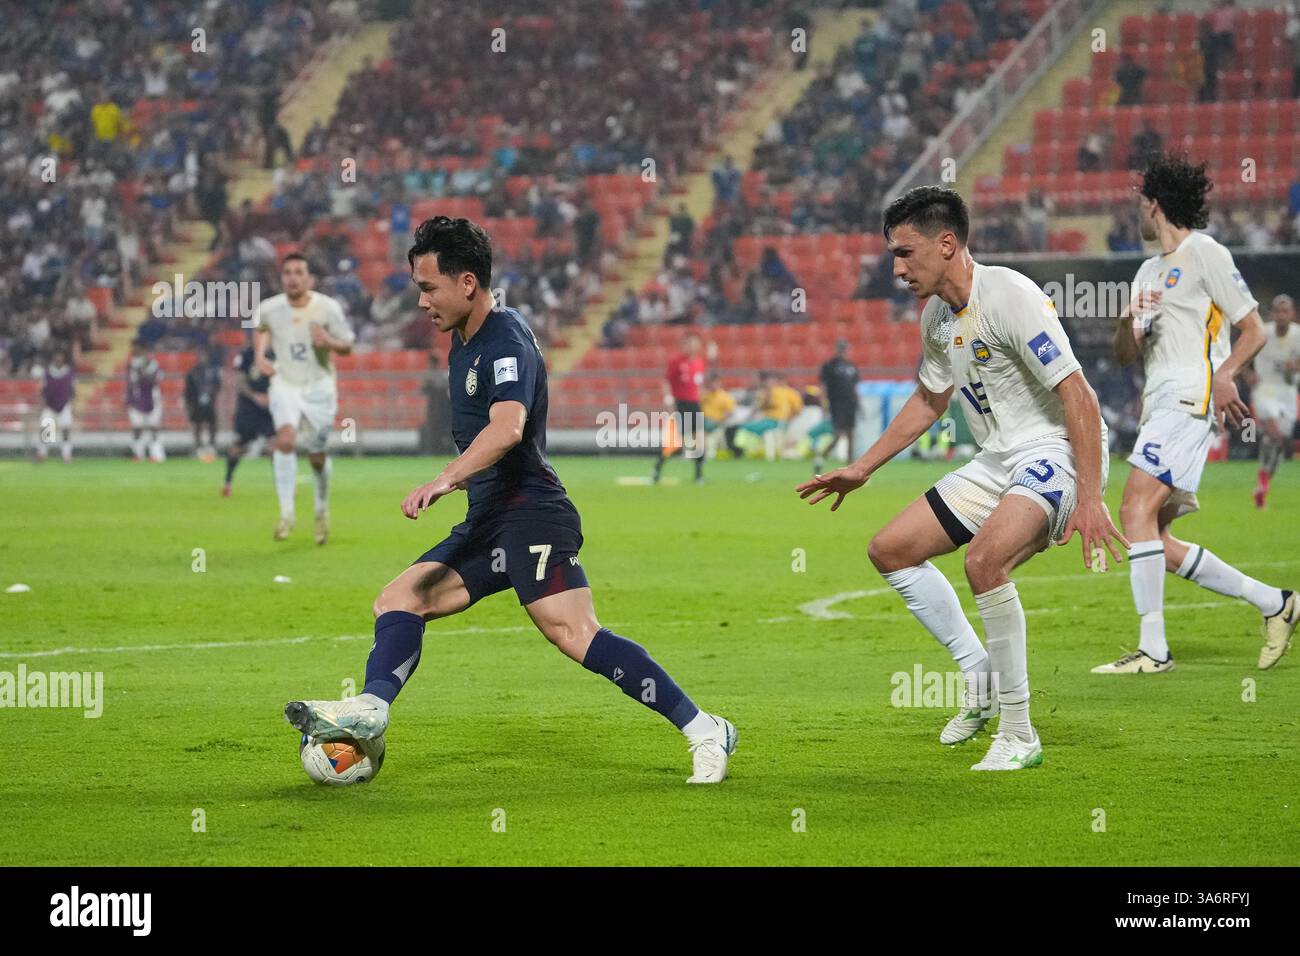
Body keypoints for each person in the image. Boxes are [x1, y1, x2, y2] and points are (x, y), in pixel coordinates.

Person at [284, 217, 737, 784]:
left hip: (531, 512)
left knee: (572, 632)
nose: (421, 301)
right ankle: (372, 710)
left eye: (428, 288)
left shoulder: (505, 340)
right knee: (400, 600)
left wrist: (446, 477)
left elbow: (508, 427)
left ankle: (705, 730)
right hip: (490, 517)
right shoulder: (465, 339)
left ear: (467, 283)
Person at [797, 186, 1123, 771]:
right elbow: (929, 398)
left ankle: (1019, 732)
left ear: (947, 244)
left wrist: (1092, 496)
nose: (897, 269)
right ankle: (980, 677)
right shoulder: (936, 318)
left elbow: (1080, 394)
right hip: (997, 461)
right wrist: (862, 468)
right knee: (891, 550)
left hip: (1055, 452)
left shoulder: (1011, 296)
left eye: (905, 253)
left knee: (983, 563)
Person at [1100, 154, 1297, 674]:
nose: (1137, 216)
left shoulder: (1204, 252)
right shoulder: (1146, 271)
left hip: (1190, 400)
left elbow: (1251, 328)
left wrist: (1228, 373)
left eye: (1141, 206)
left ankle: (1153, 651)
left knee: (1132, 511)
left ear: (1157, 206)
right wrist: (1126, 323)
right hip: (1158, 403)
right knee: (1156, 540)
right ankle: (1276, 602)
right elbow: (1126, 353)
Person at [252, 253, 355, 544]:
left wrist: (329, 342)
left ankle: (321, 510)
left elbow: (347, 345)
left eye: (299, 272)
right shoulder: (270, 308)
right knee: (284, 440)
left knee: (316, 456)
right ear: (281, 277)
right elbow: (261, 329)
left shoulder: (327, 308)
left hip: (319, 388)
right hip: (285, 383)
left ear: (309, 278)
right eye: (287, 272)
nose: (293, 277)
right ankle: (287, 514)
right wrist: (260, 355)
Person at [1251, 294, 1300, 508]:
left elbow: (1295, 370)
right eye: (1277, 311)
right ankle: (1264, 476)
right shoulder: (1262, 332)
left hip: (1288, 392)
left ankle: (1263, 480)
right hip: (1265, 389)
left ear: (1292, 314)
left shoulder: (1298, 335)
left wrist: (1294, 369)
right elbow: (1240, 352)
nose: (1281, 315)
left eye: (1285, 311)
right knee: (1274, 433)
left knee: (1278, 444)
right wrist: (1246, 375)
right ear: (1272, 314)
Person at [652, 331, 708, 484]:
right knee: (678, 443)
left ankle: (699, 475)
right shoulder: (676, 361)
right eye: (689, 343)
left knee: (700, 440)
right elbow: (666, 381)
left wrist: (701, 396)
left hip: (694, 404)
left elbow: (698, 384)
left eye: (695, 343)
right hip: (681, 403)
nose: (692, 346)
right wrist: (668, 399)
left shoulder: (699, 362)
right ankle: (658, 467)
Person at [221, 344, 276, 497]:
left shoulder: (275, 354)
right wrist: (255, 396)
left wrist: (272, 397)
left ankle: (283, 486)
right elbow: (240, 382)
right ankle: (227, 483)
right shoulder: (246, 355)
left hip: (269, 409)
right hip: (248, 409)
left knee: (275, 447)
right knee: (239, 447)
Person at [818, 339, 859, 470]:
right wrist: (823, 403)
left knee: (851, 434)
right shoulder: (830, 366)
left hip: (850, 403)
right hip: (837, 403)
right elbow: (824, 386)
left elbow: (854, 387)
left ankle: (850, 464)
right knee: (839, 434)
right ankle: (821, 457)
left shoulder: (852, 367)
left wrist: (858, 402)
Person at [125, 338, 165, 462]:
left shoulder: (155, 366)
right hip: (138, 399)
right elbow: (131, 383)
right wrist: (129, 399)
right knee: (137, 427)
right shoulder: (133, 365)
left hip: (153, 400)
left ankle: (156, 454)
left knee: (153, 427)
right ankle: (138, 453)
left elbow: (153, 381)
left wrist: (143, 375)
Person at [34, 349, 75, 463]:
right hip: (50, 406)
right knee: (47, 429)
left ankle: (66, 453)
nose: (58, 359)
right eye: (57, 357)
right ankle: (42, 453)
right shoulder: (48, 373)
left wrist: (72, 406)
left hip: (64, 405)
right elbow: (43, 391)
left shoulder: (68, 373)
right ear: (53, 359)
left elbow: (72, 391)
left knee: (65, 429)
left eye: (60, 357)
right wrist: (41, 406)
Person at [185, 346, 223, 462]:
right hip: (196, 403)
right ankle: (198, 447)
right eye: (199, 356)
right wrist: (189, 404)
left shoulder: (212, 371)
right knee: (197, 425)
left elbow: (218, 385)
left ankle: (212, 445)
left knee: (212, 424)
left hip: (209, 402)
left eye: (203, 355)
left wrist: (211, 394)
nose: (201, 358)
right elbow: (188, 390)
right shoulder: (192, 372)